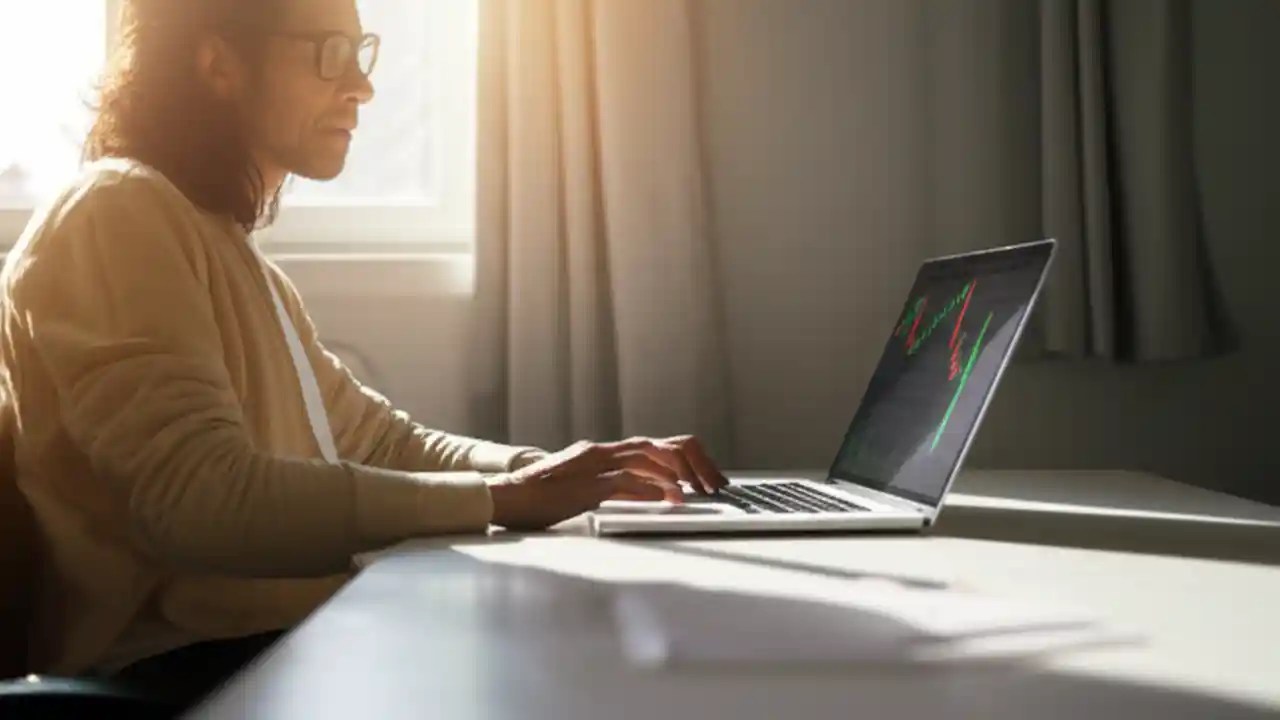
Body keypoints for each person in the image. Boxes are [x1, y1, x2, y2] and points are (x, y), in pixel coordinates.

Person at [0, 0, 727, 708]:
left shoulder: (238, 261)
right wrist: (506, 500)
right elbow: (198, 499)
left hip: (275, 644)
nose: (363, 86)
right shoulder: (115, 210)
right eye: (328, 53)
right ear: (218, 62)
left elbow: (381, 440)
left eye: (361, 52)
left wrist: (559, 472)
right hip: (182, 673)